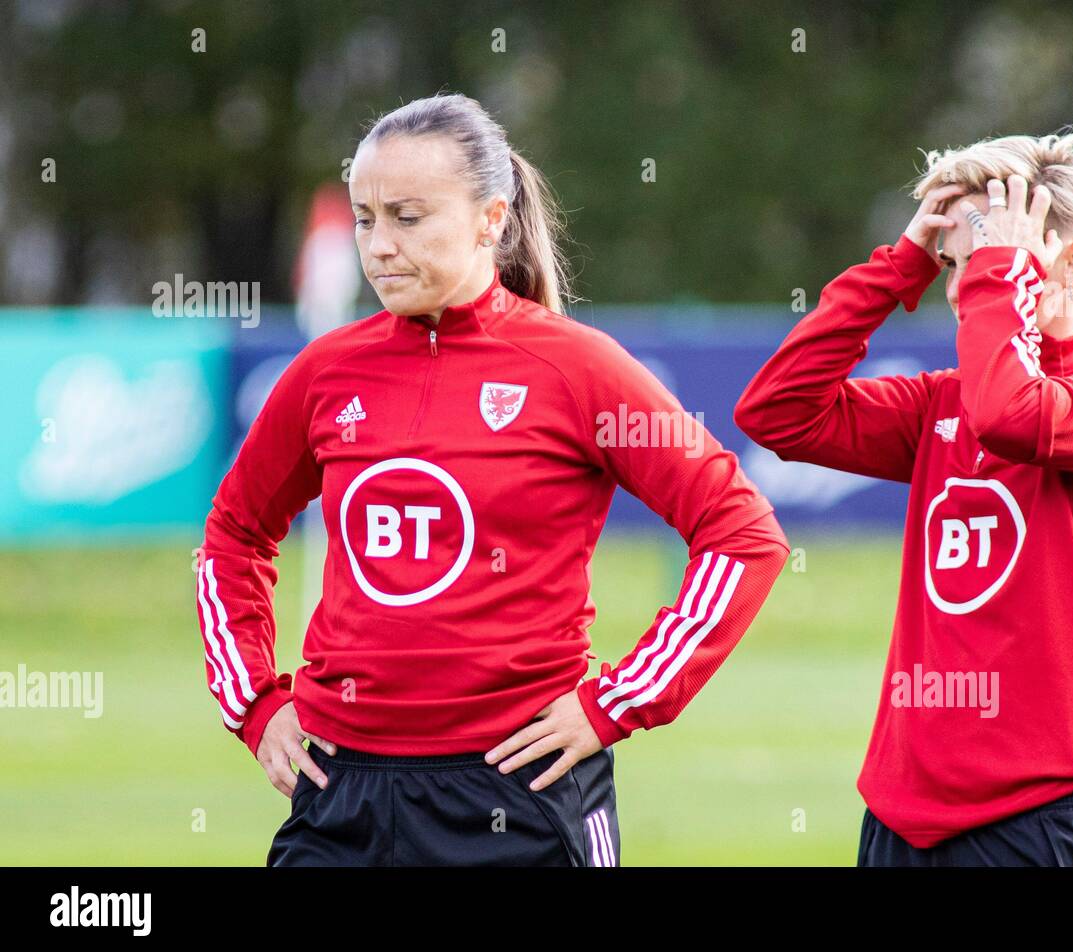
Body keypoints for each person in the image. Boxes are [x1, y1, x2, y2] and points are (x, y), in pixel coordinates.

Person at [194, 92, 789, 866]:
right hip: (340, 791)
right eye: (366, 218)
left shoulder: (577, 368)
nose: (379, 246)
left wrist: (619, 701)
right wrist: (255, 704)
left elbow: (742, 534)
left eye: (408, 218)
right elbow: (235, 533)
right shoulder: (324, 371)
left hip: (519, 793)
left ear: (490, 218)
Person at [734, 132, 1073, 866]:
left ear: (1072, 264)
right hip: (901, 815)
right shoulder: (939, 406)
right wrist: (902, 263)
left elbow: (1014, 416)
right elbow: (777, 412)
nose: (960, 288)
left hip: (1055, 811)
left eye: (982, 262)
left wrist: (995, 275)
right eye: (955, 267)